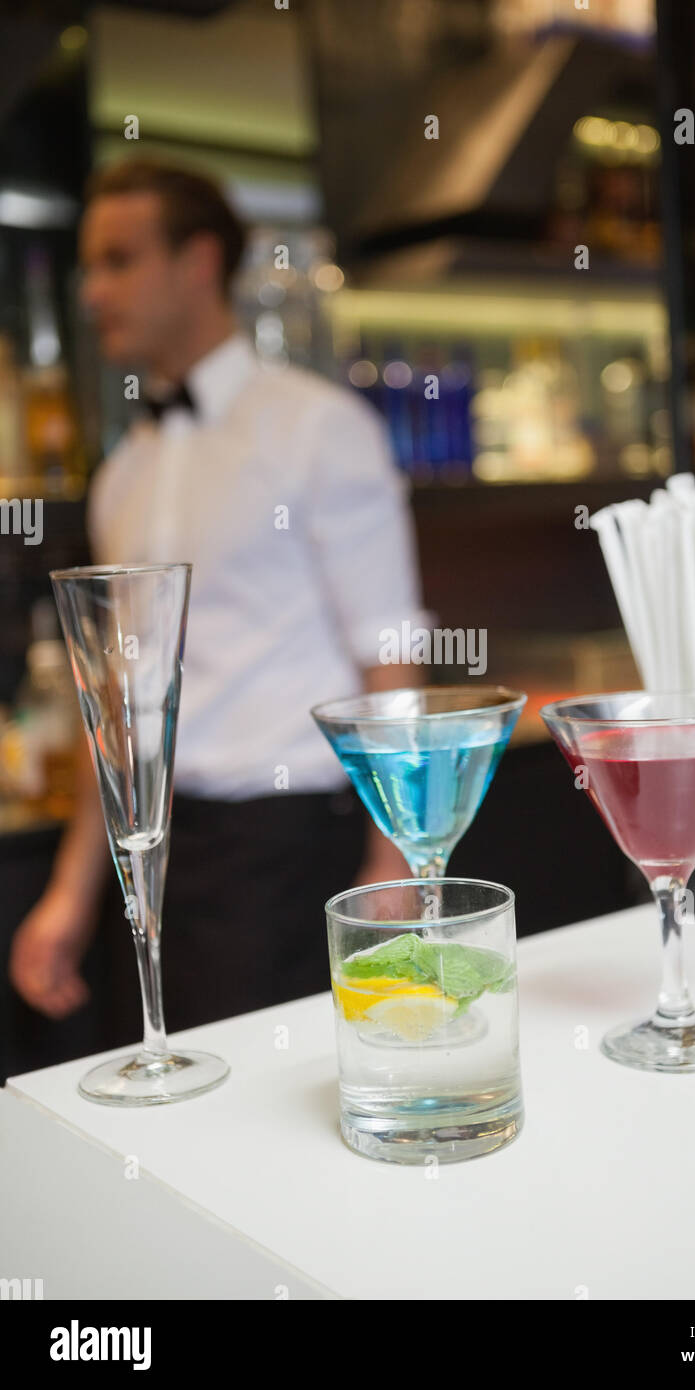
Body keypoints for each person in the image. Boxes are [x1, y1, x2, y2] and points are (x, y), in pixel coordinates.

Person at [9, 158, 428, 1034]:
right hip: (160, 855)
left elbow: (390, 655)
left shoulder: (318, 429)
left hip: (289, 847)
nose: (93, 293)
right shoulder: (124, 473)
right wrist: (70, 896)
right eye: (90, 266)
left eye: (118, 261)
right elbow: (117, 706)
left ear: (199, 262)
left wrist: (396, 865)